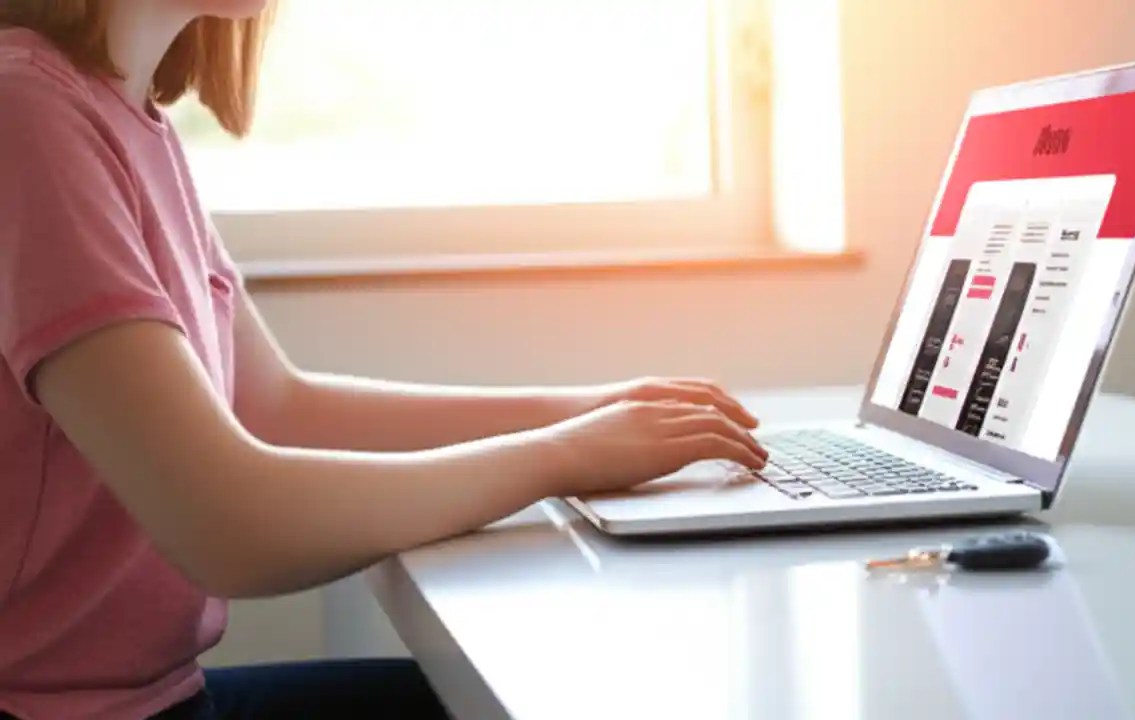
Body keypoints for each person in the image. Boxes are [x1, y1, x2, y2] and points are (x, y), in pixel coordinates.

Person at [0, 1, 769, 718]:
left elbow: (276, 408)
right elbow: (227, 527)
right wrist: (564, 455)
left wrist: (593, 411)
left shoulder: (127, 121)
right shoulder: (26, 113)